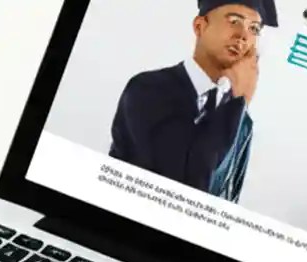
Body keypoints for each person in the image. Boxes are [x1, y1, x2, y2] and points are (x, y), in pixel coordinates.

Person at [109, 0, 278, 202]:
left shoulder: (242, 122)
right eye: (234, 21)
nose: (243, 35)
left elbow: (226, 206)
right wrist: (238, 103)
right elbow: (186, 192)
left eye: (254, 28)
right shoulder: (147, 90)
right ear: (200, 26)